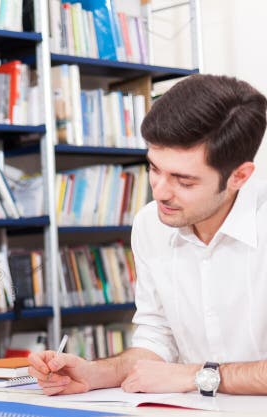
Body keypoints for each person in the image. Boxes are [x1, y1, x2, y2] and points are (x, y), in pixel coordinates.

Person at [29, 74, 267, 396]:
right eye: (154, 168)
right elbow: (157, 339)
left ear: (239, 176)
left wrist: (198, 376)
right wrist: (95, 373)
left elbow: (185, 374)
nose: (160, 192)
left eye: (184, 181)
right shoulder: (150, 224)